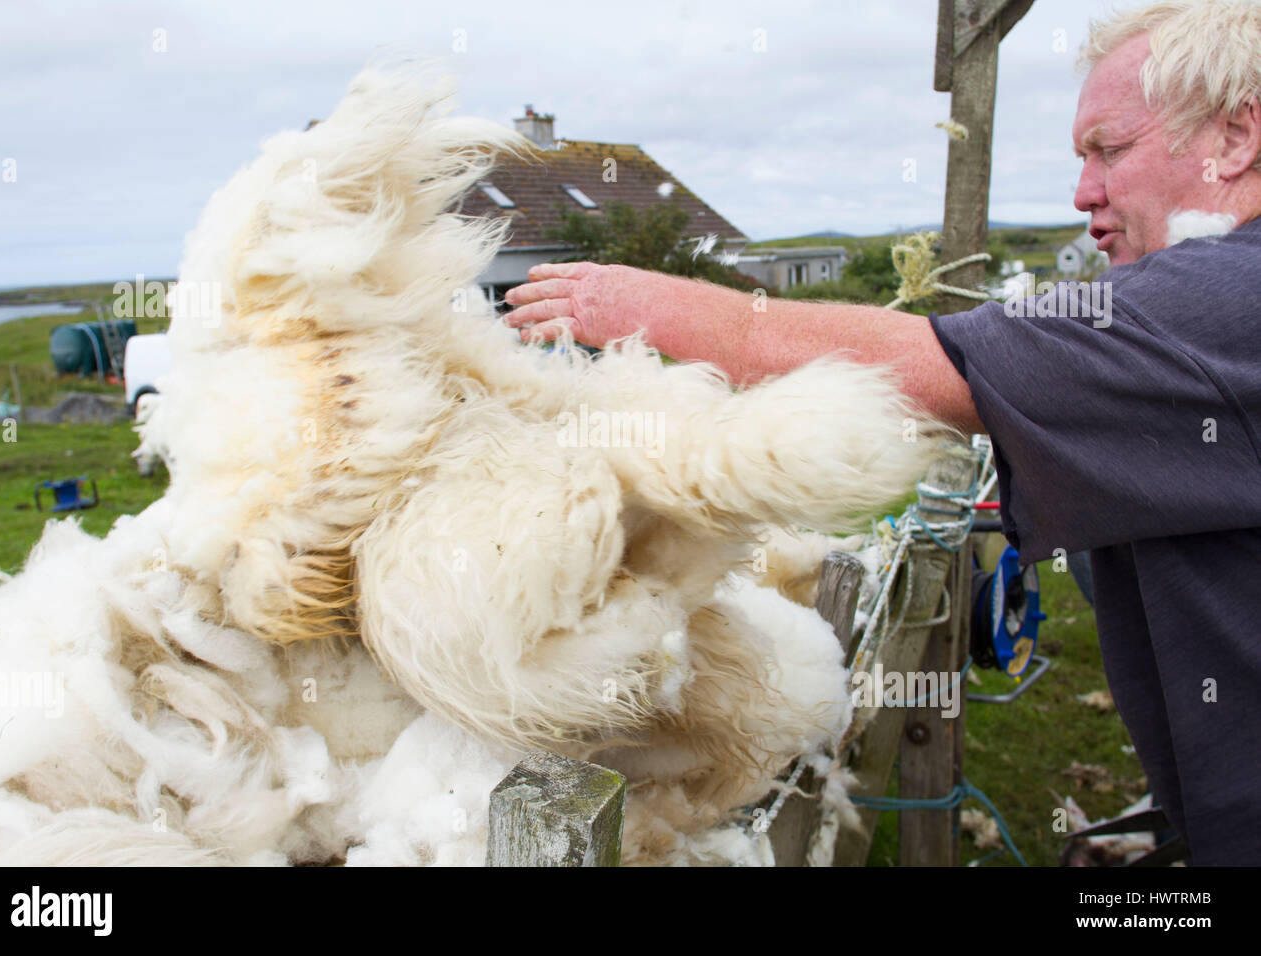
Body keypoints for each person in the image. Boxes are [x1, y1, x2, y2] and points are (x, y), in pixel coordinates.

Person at [503, 0, 1261, 866]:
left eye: (1109, 150)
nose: (1082, 191)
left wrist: (637, 304)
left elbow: (925, 366)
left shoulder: (1221, 299)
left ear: (1235, 139)